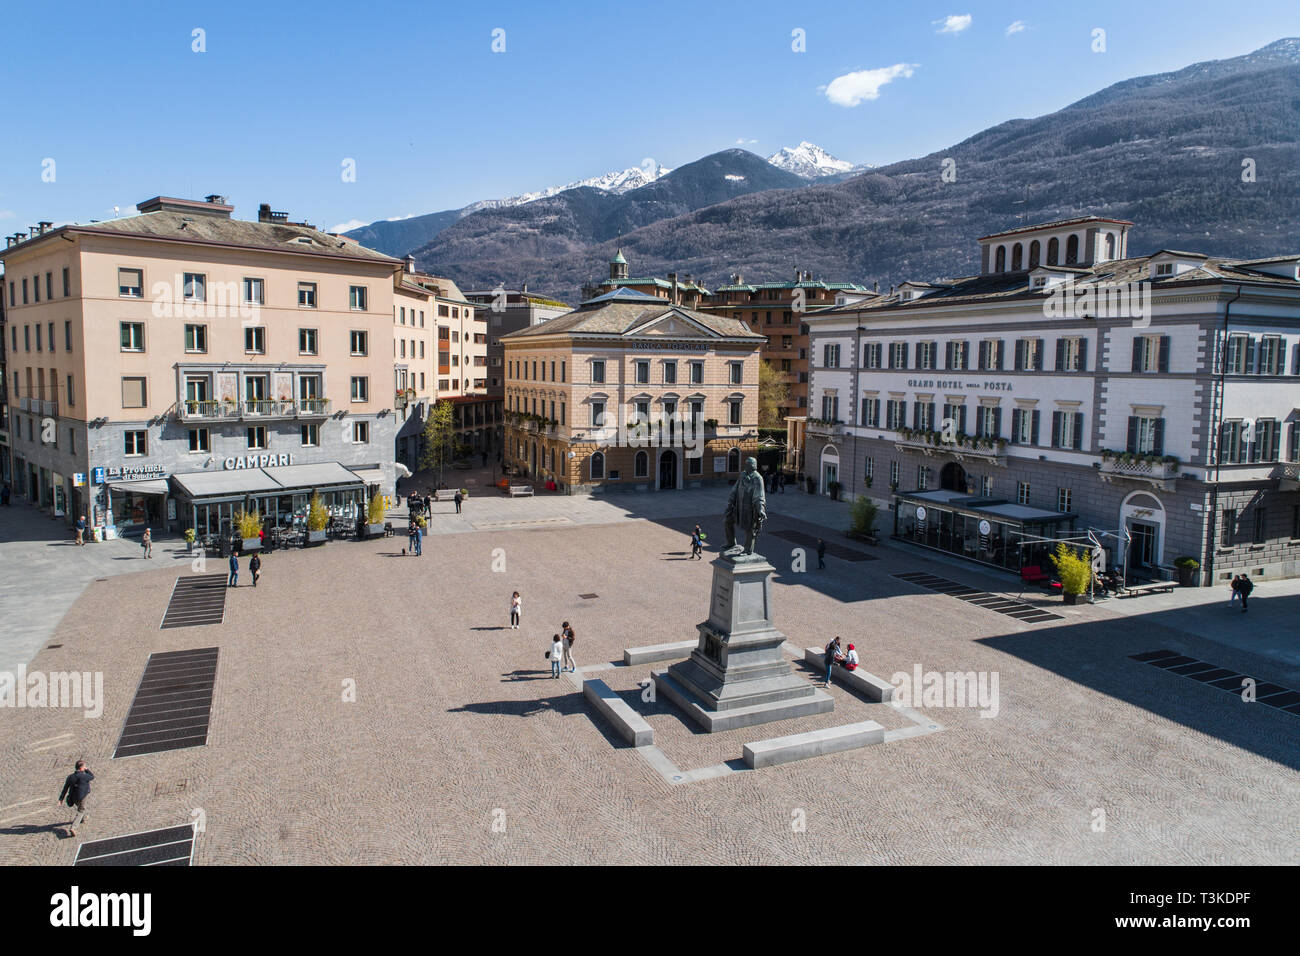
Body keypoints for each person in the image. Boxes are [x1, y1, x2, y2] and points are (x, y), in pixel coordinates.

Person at [58, 760, 94, 837]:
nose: (85, 768)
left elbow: (65, 788)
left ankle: (83, 819)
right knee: (81, 811)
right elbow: (92, 776)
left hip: (73, 797)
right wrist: (87, 770)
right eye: (84, 766)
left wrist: (61, 799)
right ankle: (73, 827)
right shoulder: (84, 776)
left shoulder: (70, 777)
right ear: (81, 768)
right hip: (82, 796)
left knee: (81, 807)